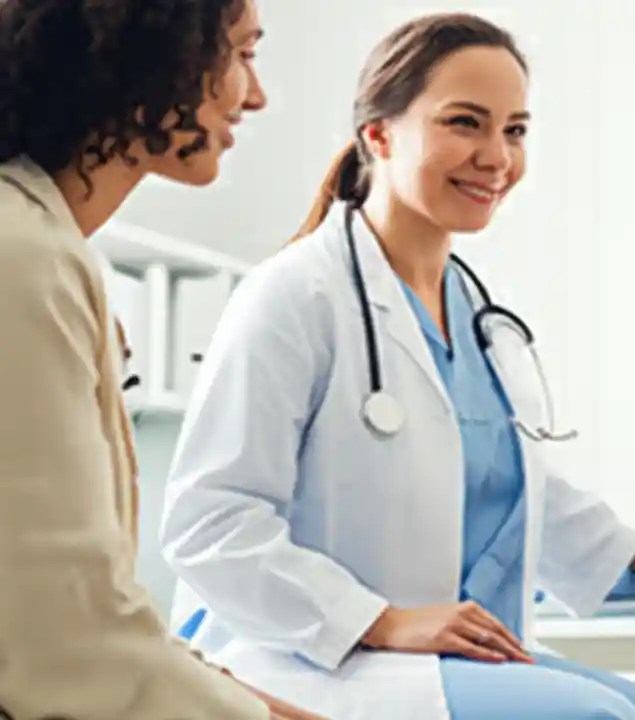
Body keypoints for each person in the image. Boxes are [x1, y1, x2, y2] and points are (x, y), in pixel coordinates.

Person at [158, 12, 635, 720]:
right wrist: (379, 619)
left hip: (449, 653)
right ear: (377, 135)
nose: (497, 156)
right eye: (465, 123)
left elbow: (499, 481)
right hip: (315, 655)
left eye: (515, 129)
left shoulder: (476, 314)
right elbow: (208, 523)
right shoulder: (295, 295)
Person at [0, 1, 324, 718]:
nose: (258, 94)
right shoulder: (22, 261)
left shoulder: (48, 251)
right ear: (150, 53)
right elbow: (68, 646)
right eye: (241, 54)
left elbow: (90, 624)